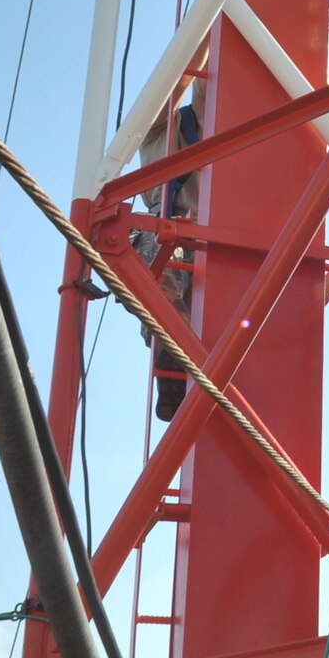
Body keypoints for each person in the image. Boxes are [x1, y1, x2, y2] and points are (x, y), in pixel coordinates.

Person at [133, 49, 207, 421]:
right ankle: (173, 341)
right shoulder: (157, 131)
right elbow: (184, 81)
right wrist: (201, 34)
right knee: (146, 250)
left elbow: (206, 82)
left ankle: (183, 345)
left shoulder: (217, 120)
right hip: (168, 229)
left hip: (210, 237)